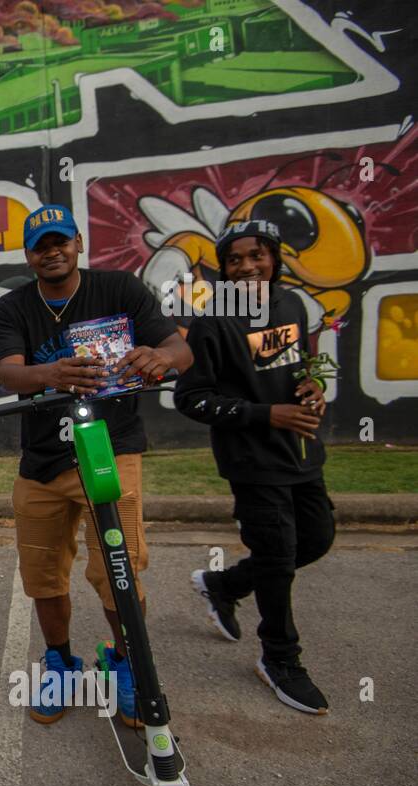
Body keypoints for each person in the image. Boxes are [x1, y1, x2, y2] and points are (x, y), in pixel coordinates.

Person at [0, 204, 192, 727]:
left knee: (118, 570)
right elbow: (10, 373)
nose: (52, 252)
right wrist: (51, 374)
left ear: (78, 242)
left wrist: (162, 359)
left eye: (61, 241)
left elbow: (177, 347)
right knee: (42, 574)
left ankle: (126, 663)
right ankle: (59, 660)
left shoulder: (119, 288)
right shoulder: (12, 307)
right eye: (40, 246)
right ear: (28, 255)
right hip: (43, 460)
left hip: (110, 448)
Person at [175, 219, 332, 715]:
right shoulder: (214, 322)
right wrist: (266, 415)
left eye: (256, 255)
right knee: (279, 558)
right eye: (235, 259)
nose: (246, 266)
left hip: (300, 450)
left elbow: (296, 364)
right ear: (224, 269)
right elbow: (191, 398)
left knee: (317, 539)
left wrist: (313, 387)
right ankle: (279, 658)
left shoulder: (291, 304)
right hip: (252, 461)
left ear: (274, 259)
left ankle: (225, 585)